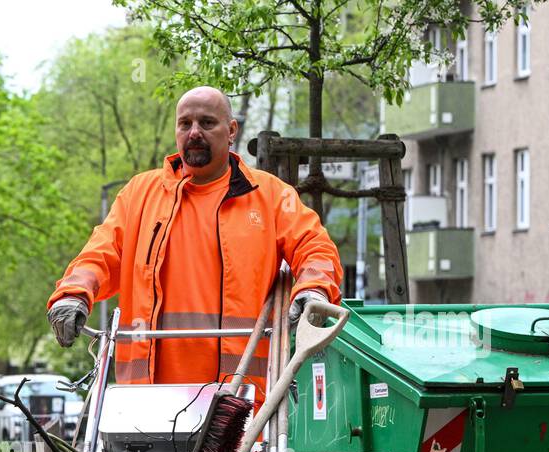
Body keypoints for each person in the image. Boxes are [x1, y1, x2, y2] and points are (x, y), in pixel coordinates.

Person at [47, 86, 342, 396]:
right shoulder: (140, 195)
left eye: (207, 123)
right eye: (185, 124)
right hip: (146, 401)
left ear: (231, 131)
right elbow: (102, 253)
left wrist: (314, 289)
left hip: (238, 400)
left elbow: (315, 248)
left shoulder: (269, 197)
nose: (194, 132)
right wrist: (72, 293)